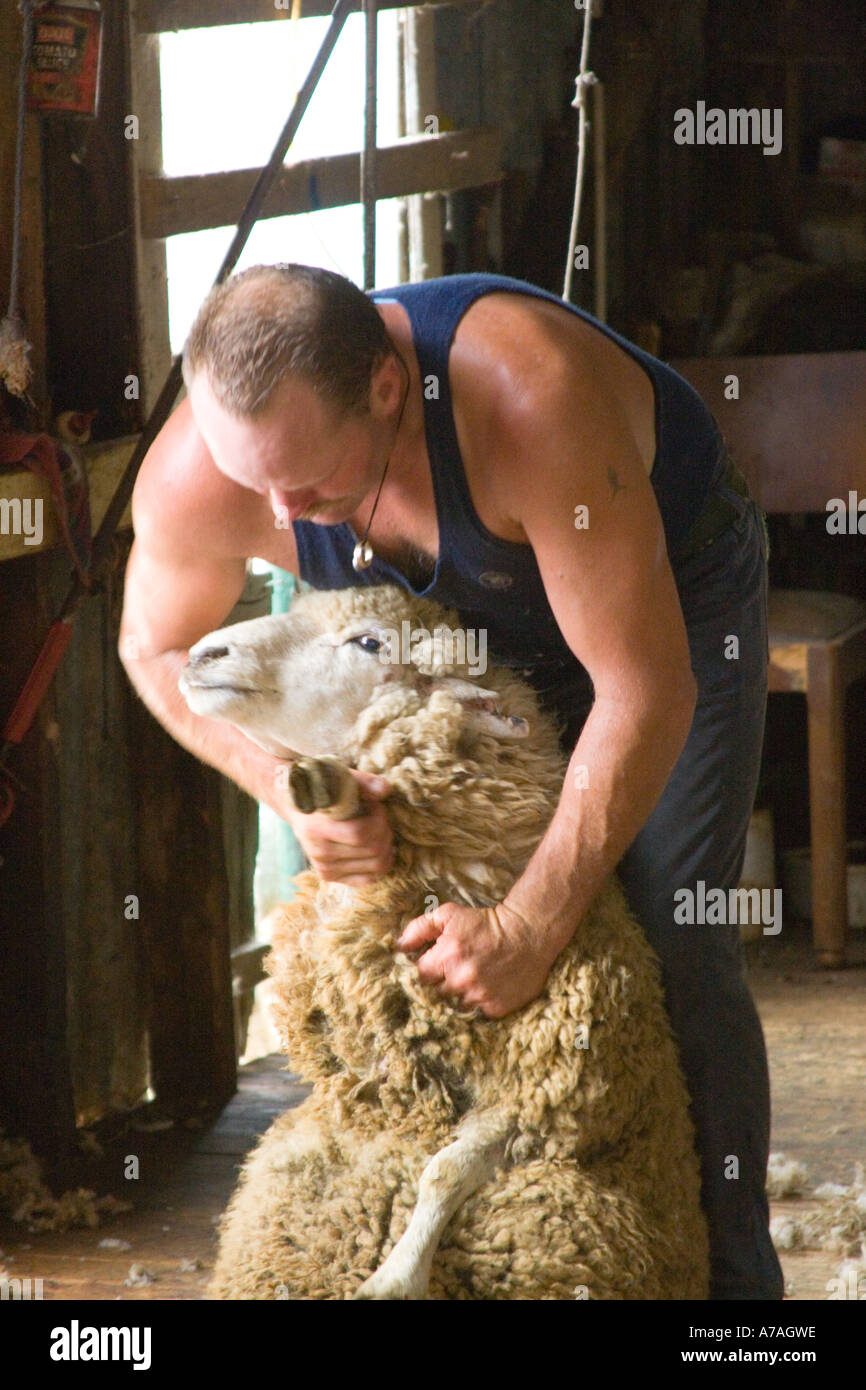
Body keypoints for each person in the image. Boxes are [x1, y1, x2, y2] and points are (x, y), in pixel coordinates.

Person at [118, 262, 783, 1300]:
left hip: (651, 601)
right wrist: (290, 782)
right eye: (256, 485)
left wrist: (525, 925)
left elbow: (641, 692)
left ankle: (738, 1301)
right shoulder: (215, 471)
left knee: (663, 931)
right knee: (371, 935)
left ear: (388, 387)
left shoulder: (530, 400)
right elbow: (153, 646)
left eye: (306, 481)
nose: (282, 511)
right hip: (423, 649)